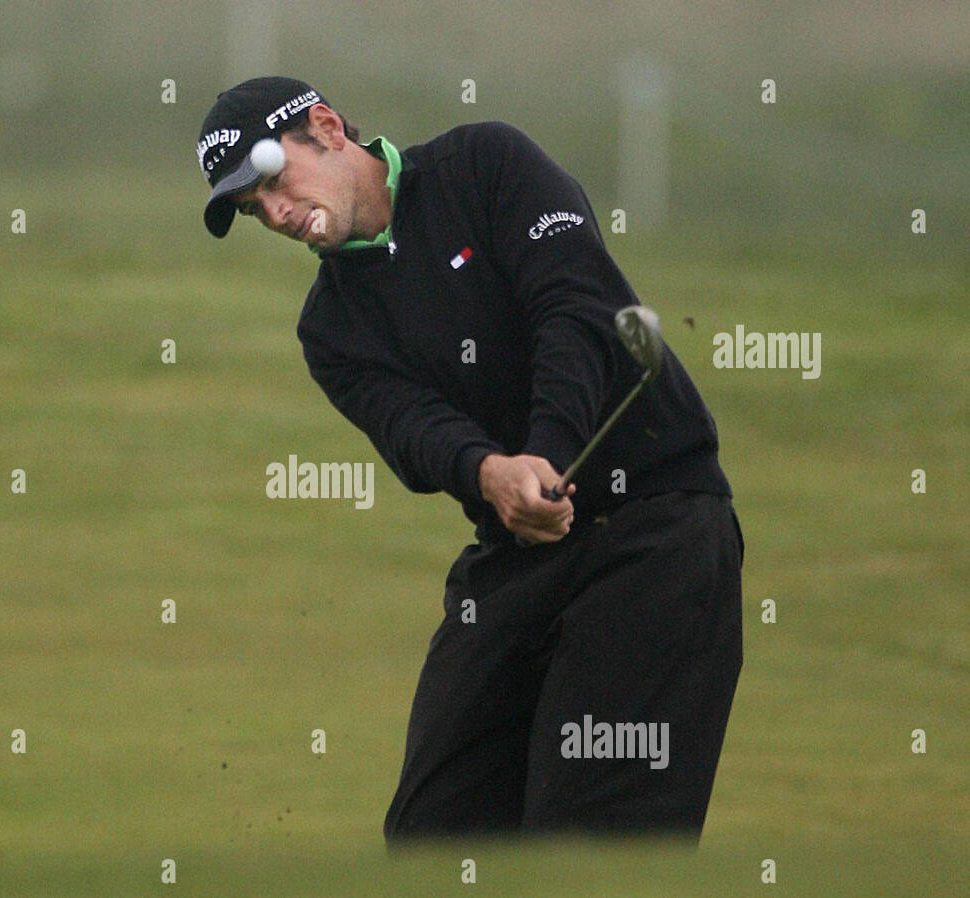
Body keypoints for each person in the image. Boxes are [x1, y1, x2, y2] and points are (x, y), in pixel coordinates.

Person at [197, 77, 745, 841]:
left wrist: (546, 455)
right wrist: (493, 475)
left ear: (324, 127)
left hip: (655, 528)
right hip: (517, 555)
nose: (278, 215)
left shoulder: (487, 166)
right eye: (256, 211)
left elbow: (574, 312)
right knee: (434, 836)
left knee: (590, 845)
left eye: (272, 183)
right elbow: (418, 432)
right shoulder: (331, 330)